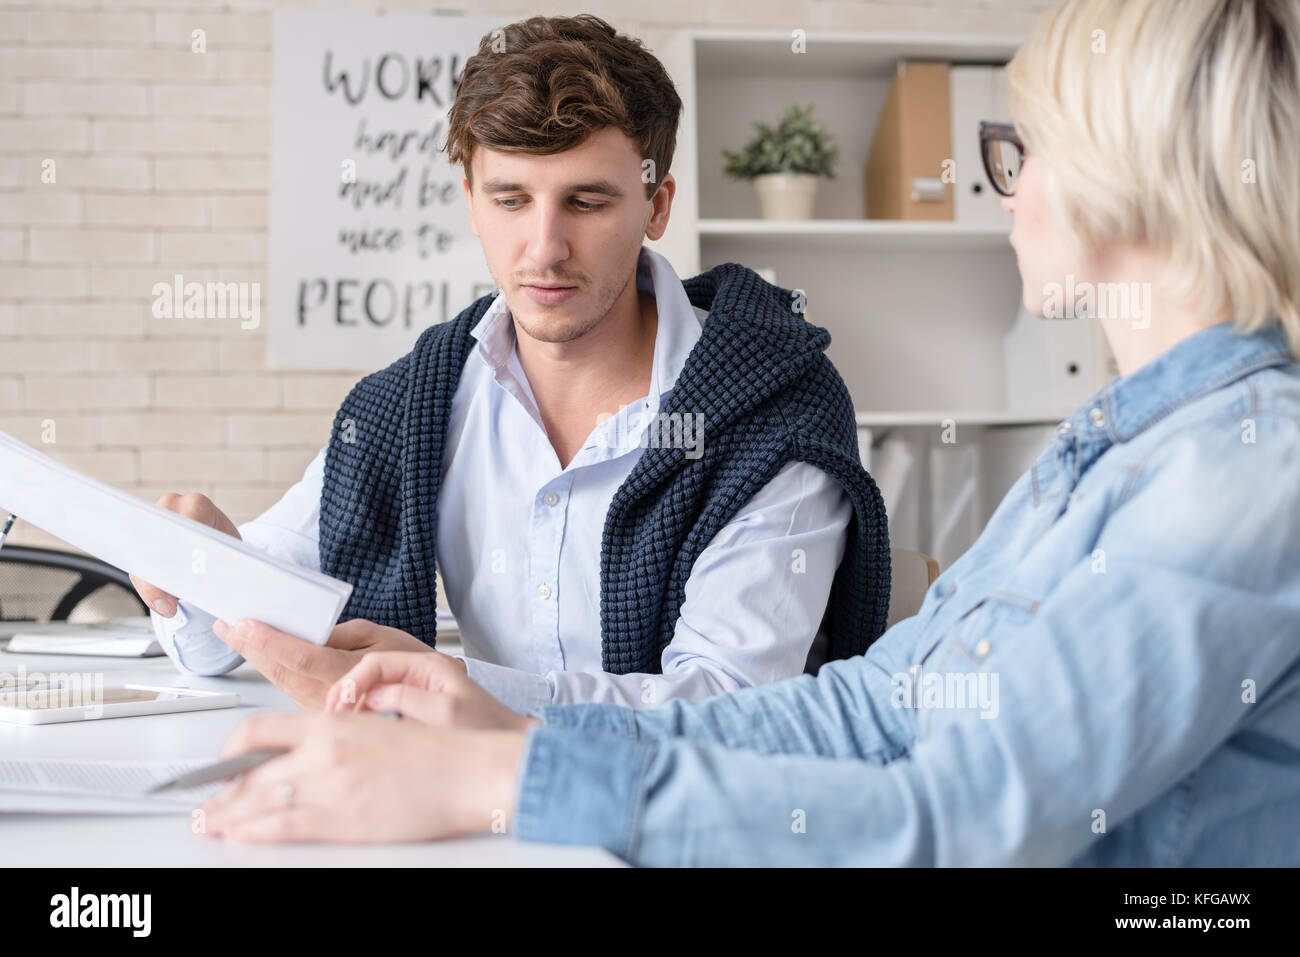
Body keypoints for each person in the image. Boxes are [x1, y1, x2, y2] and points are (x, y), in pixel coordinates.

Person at [195, 0, 1300, 865]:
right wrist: (504, 737)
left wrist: (495, 780)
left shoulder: (1244, 473)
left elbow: (963, 825)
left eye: (1022, 152)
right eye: (509, 198)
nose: (1003, 192)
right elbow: (866, 713)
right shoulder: (1109, 453)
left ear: (1127, 175)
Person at [129, 15, 890, 713]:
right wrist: (196, 568)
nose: (544, 248)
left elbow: (724, 705)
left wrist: (440, 683)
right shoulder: (413, 403)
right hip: (478, 813)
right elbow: (218, 634)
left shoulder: (777, 411)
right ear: (470, 201)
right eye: (511, 199)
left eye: (587, 203)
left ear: (657, 205)